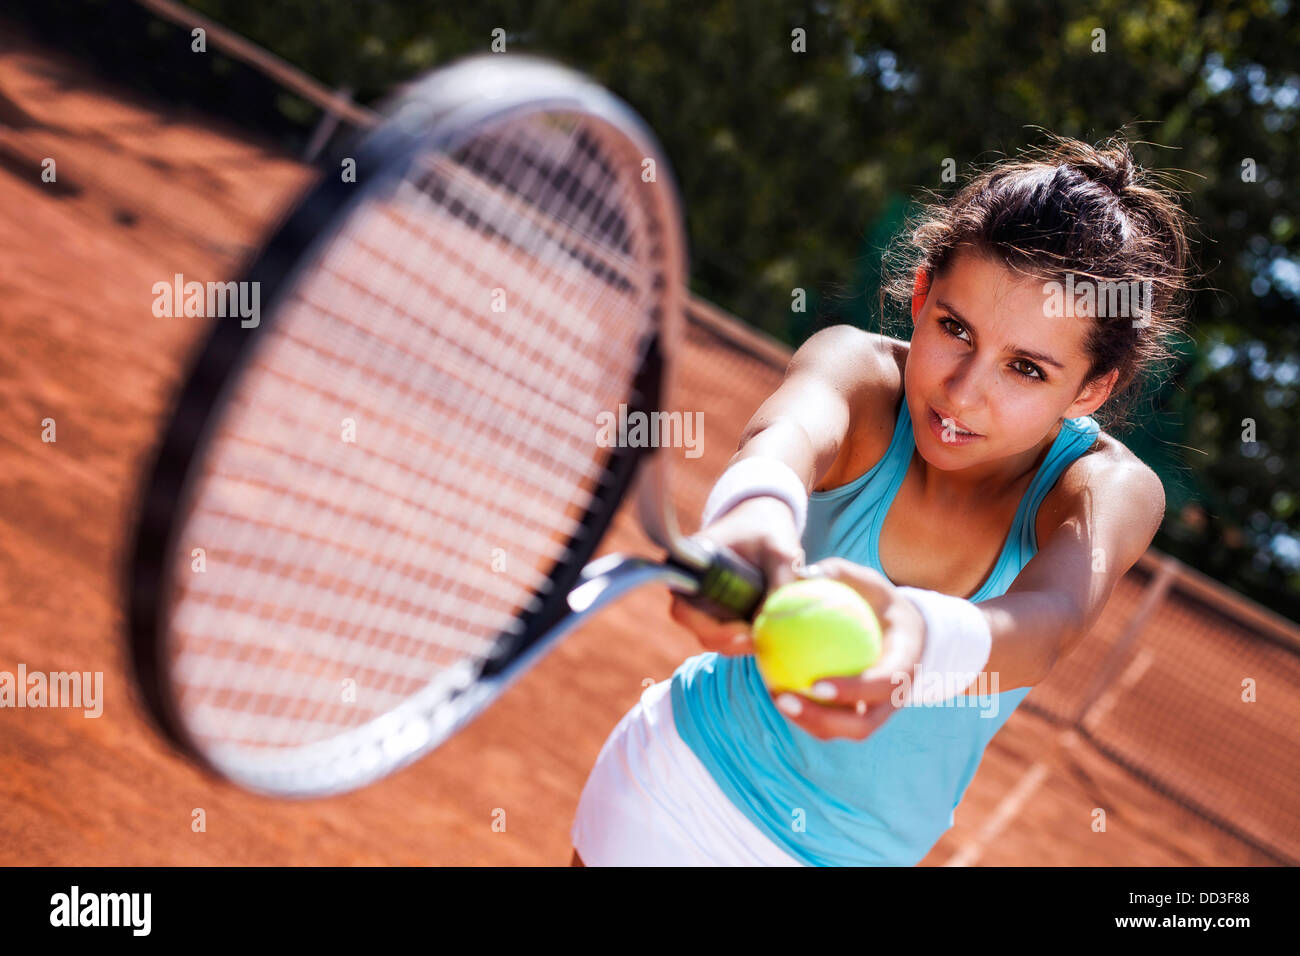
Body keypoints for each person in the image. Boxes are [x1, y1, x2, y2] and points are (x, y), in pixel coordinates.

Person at [569, 135, 1193, 866]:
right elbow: (783, 440)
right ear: (921, 296)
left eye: (1026, 368)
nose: (963, 392)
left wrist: (917, 636)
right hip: (674, 792)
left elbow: (1050, 624)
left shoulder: (1109, 488)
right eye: (955, 328)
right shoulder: (858, 371)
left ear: (1091, 389)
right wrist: (755, 523)